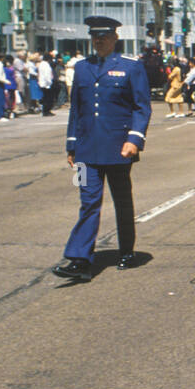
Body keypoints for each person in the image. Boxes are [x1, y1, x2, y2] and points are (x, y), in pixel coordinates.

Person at [52, 17, 152, 281]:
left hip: (119, 150)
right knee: (87, 202)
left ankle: (127, 250)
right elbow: (77, 110)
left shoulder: (131, 67)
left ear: (114, 38)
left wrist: (135, 139)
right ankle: (80, 260)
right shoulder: (82, 68)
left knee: (122, 200)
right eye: (95, 37)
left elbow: (142, 107)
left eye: (104, 36)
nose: (99, 41)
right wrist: (71, 145)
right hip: (86, 151)